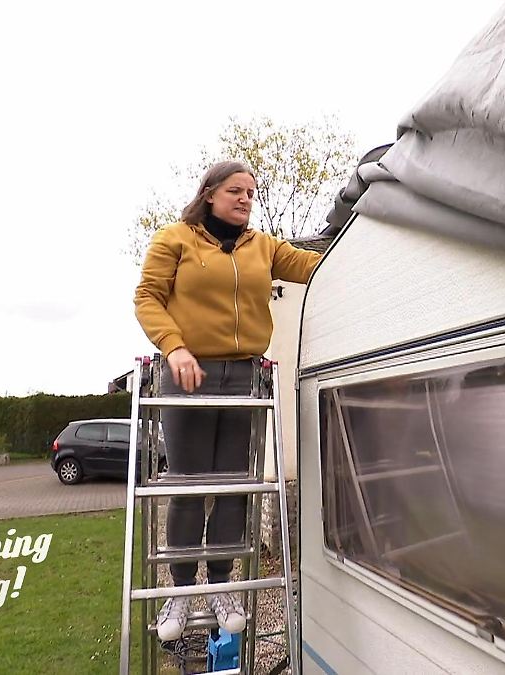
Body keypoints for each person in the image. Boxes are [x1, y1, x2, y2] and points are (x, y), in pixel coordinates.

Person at [134, 160, 321, 641]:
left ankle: (221, 586)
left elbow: (311, 265)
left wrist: (359, 237)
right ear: (210, 193)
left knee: (236, 484)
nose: (245, 199)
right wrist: (173, 346)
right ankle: (178, 590)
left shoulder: (263, 247)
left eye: (251, 193)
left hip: (244, 376)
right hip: (188, 373)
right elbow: (148, 297)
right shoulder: (175, 239)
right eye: (236, 191)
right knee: (191, 485)